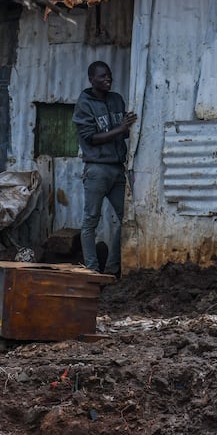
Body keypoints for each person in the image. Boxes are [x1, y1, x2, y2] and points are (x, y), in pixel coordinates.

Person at [72, 61, 135, 275]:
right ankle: (92, 271)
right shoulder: (84, 104)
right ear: (92, 79)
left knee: (126, 217)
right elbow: (90, 137)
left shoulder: (116, 99)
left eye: (109, 75)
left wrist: (127, 127)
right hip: (97, 170)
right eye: (102, 76)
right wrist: (122, 128)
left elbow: (124, 131)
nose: (108, 79)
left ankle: (111, 268)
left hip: (117, 168)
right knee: (91, 221)